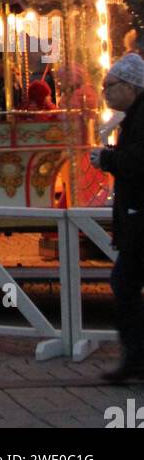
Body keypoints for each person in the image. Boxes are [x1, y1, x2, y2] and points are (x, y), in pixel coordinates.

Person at [89, 53, 144, 382]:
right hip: (135, 215)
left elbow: (138, 162)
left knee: (124, 283)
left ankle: (135, 355)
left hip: (139, 217)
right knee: (125, 282)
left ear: (131, 87)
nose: (105, 91)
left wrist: (108, 159)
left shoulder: (139, 118)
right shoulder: (133, 117)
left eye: (110, 86)